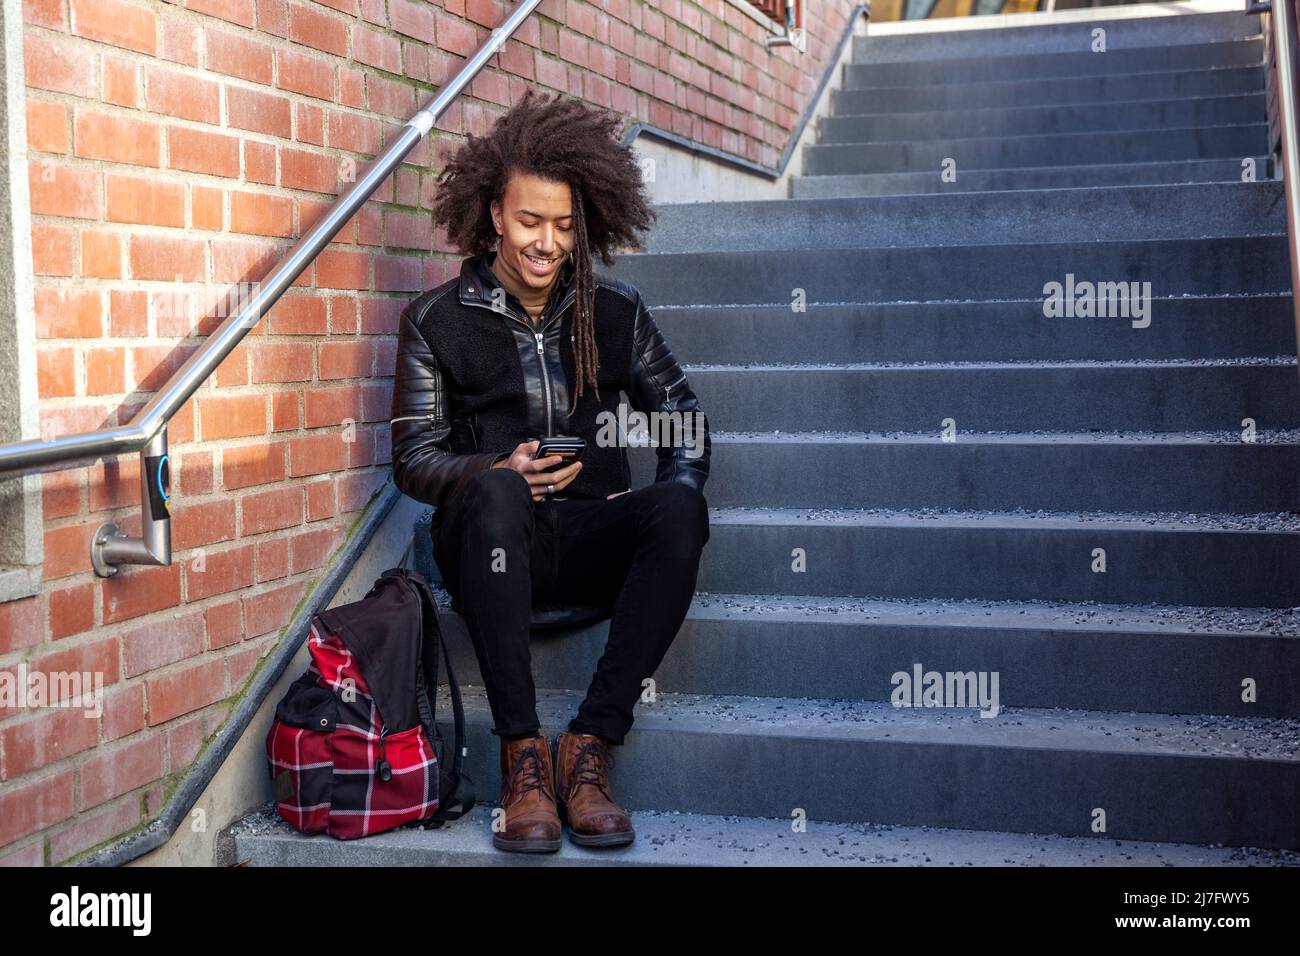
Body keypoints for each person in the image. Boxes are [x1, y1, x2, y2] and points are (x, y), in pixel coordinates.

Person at [389, 89, 711, 853]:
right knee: (496, 489)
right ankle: (523, 758)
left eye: (565, 226)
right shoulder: (436, 321)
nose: (547, 242)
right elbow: (412, 458)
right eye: (530, 221)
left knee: (680, 510)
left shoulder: (617, 310)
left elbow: (686, 424)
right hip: (496, 549)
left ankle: (589, 747)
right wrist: (492, 468)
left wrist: (671, 489)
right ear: (495, 214)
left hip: (593, 536)